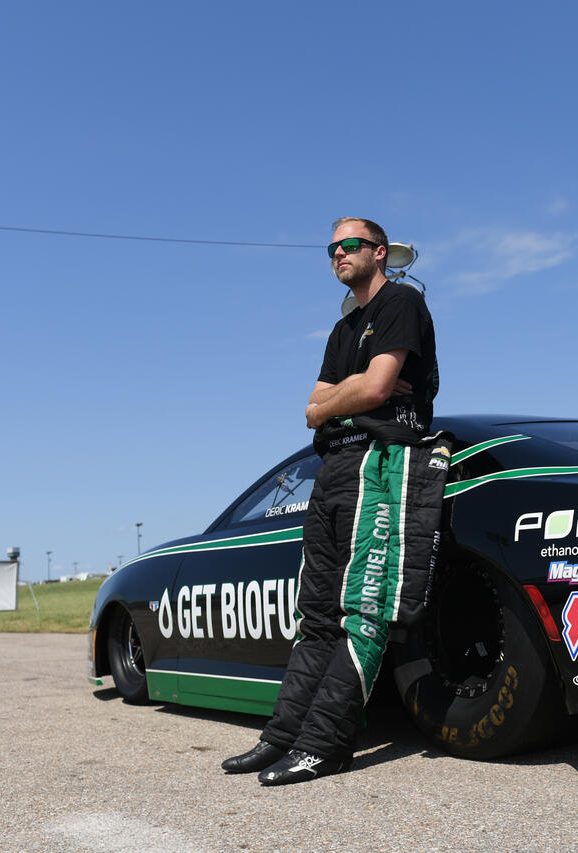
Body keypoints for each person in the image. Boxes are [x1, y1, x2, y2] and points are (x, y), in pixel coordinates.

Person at [222, 217, 450, 785]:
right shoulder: (342, 328)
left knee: (362, 611)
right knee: (317, 615)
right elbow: (312, 407)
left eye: (349, 245)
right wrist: (342, 399)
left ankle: (325, 746)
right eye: (331, 249)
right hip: (333, 467)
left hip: (381, 462)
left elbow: (376, 389)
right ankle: (282, 738)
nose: (338, 255)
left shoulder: (401, 303)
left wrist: (342, 398)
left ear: (379, 251)